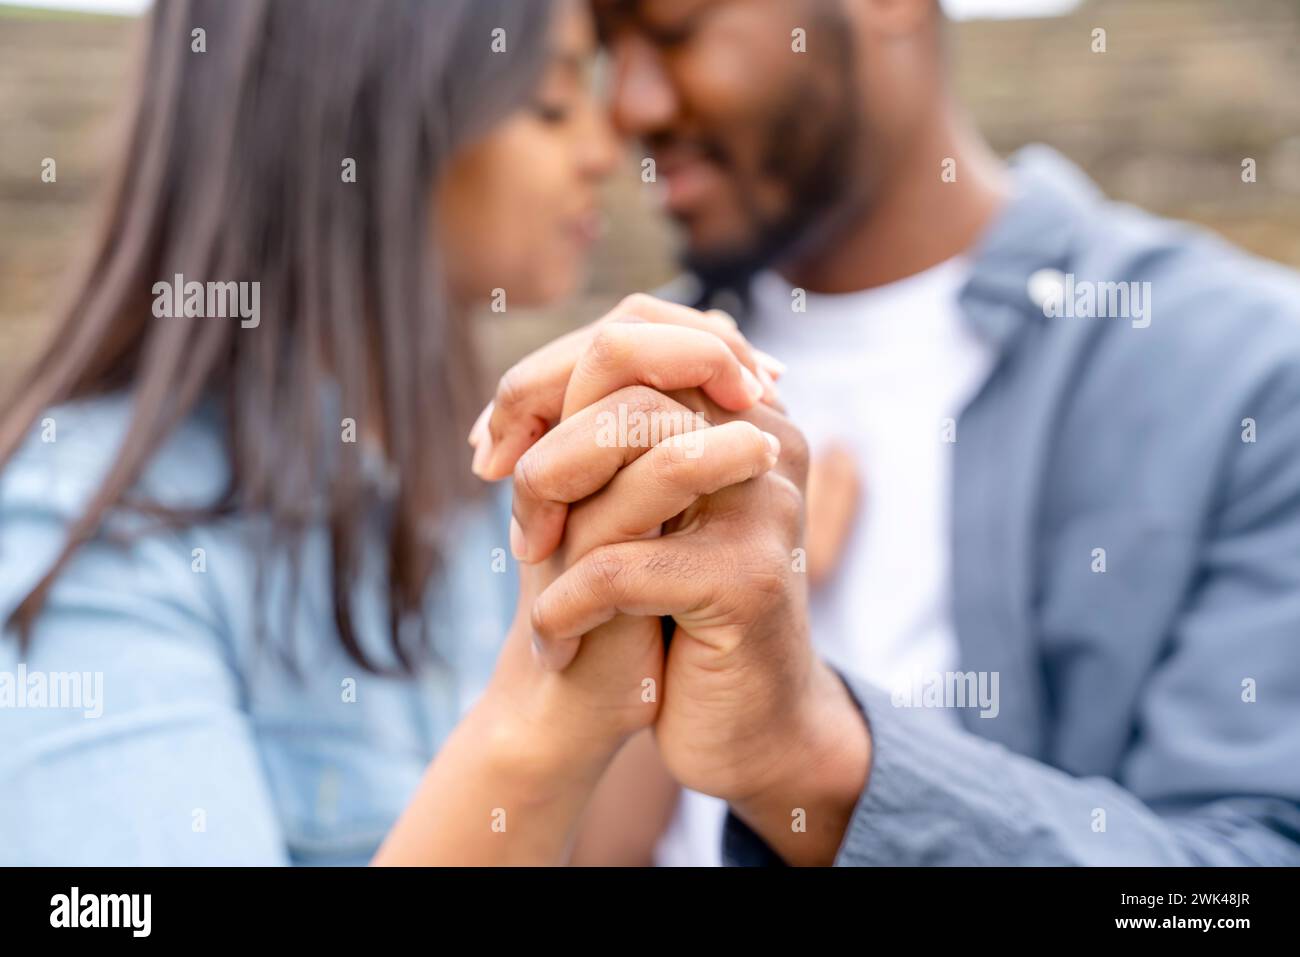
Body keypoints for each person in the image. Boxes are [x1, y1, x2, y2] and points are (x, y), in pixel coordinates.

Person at [469, 0, 1300, 864]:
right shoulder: (600, 395)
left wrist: (814, 756)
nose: (629, 104)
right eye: (609, 49)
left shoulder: (1250, 377)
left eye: (676, 30)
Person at [0, 0, 780, 866]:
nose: (604, 150)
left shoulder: (478, 491)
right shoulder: (90, 536)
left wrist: (673, 597)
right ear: (366, 120)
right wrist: (540, 725)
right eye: (551, 102)